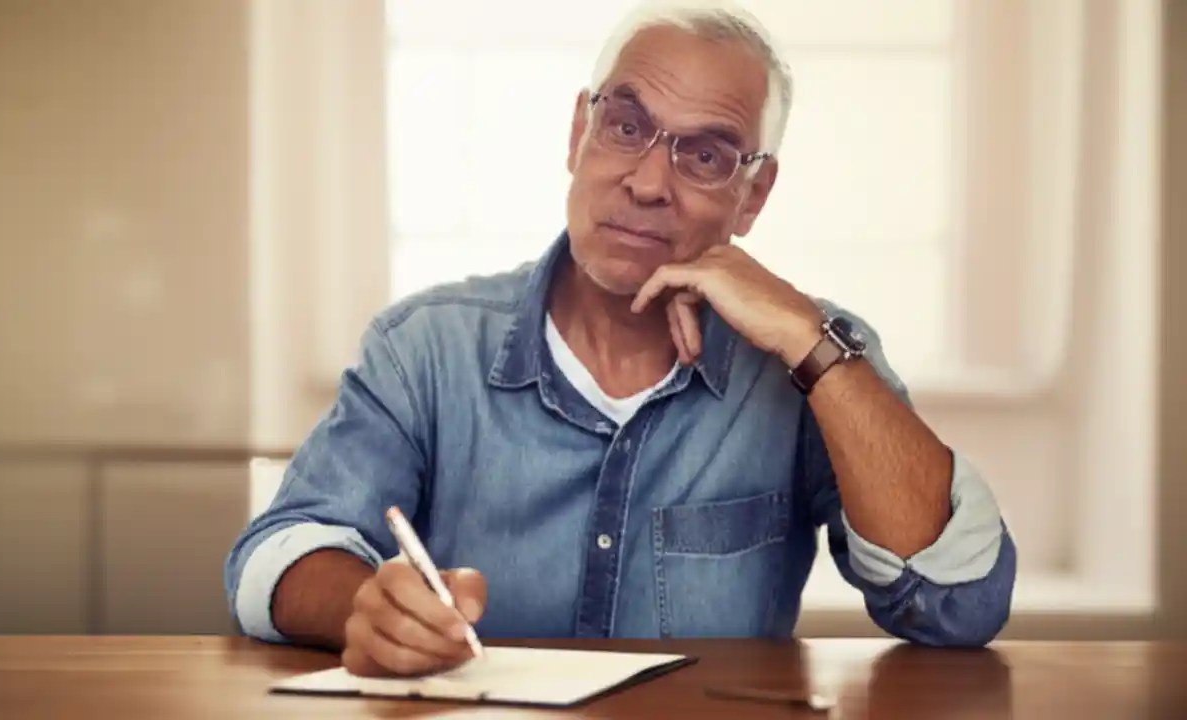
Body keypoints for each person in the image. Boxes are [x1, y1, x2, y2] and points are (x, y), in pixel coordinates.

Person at [225, 0, 1016, 677]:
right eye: (627, 125)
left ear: (754, 195)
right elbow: (281, 551)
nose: (646, 183)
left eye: (705, 156)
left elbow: (958, 600)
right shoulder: (424, 347)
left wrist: (811, 343)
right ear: (579, 133)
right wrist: (365, 604)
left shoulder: (813, 358)